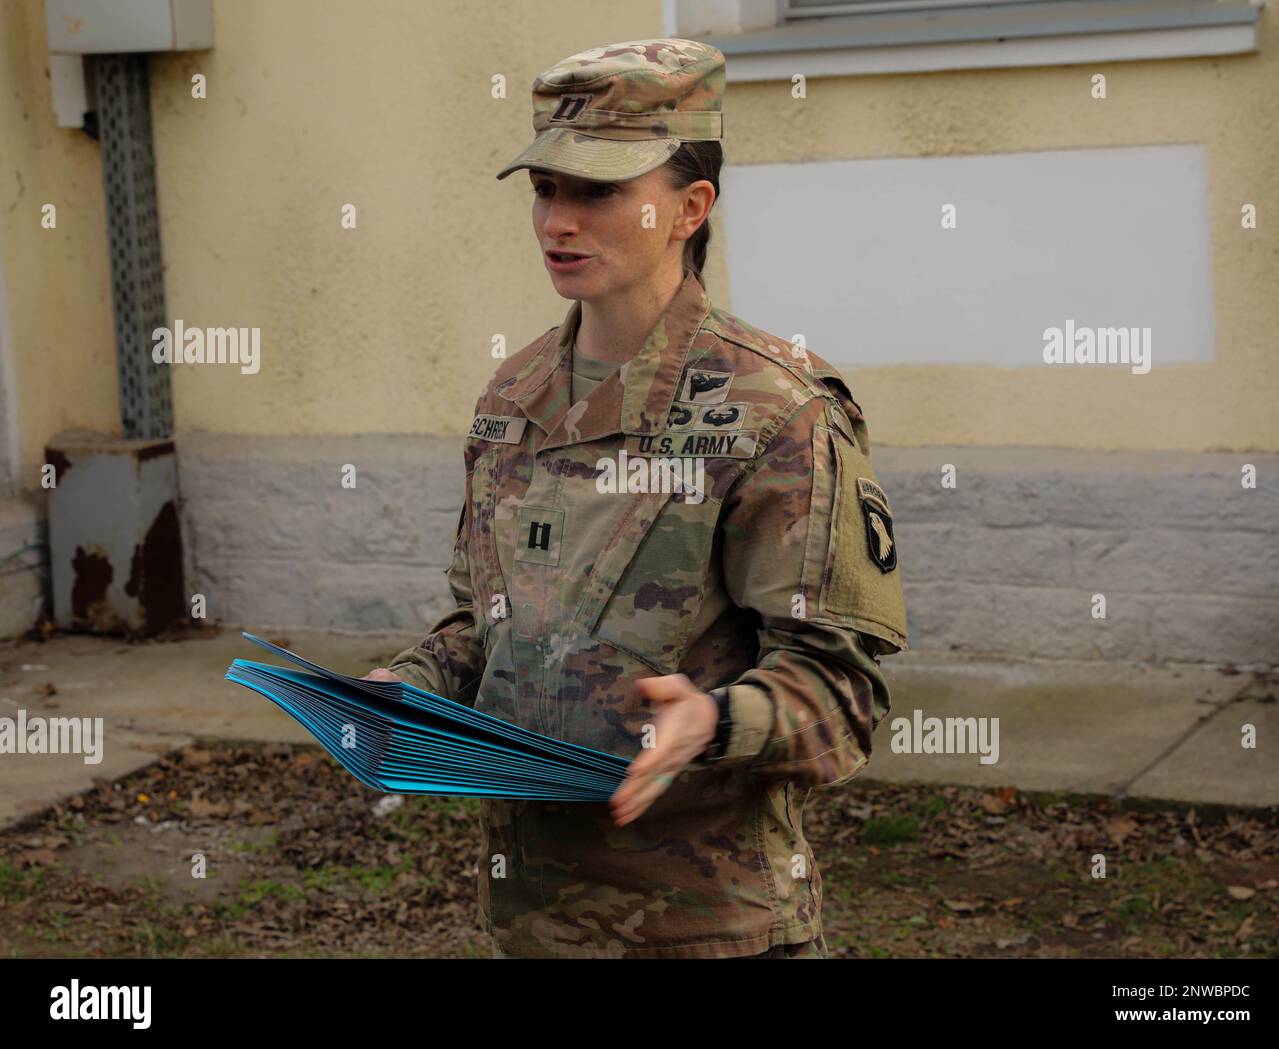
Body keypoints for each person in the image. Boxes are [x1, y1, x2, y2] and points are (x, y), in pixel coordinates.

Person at [366, 37, 908, 959]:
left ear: (691, 207)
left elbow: (841, 690)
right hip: (534, 920)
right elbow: (480, 622)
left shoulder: (774, 409)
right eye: (545, 188)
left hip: (710, 928)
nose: (557, 222)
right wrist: (404, 690)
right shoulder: (515, 396)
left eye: (599, 191)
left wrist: (712, 719)